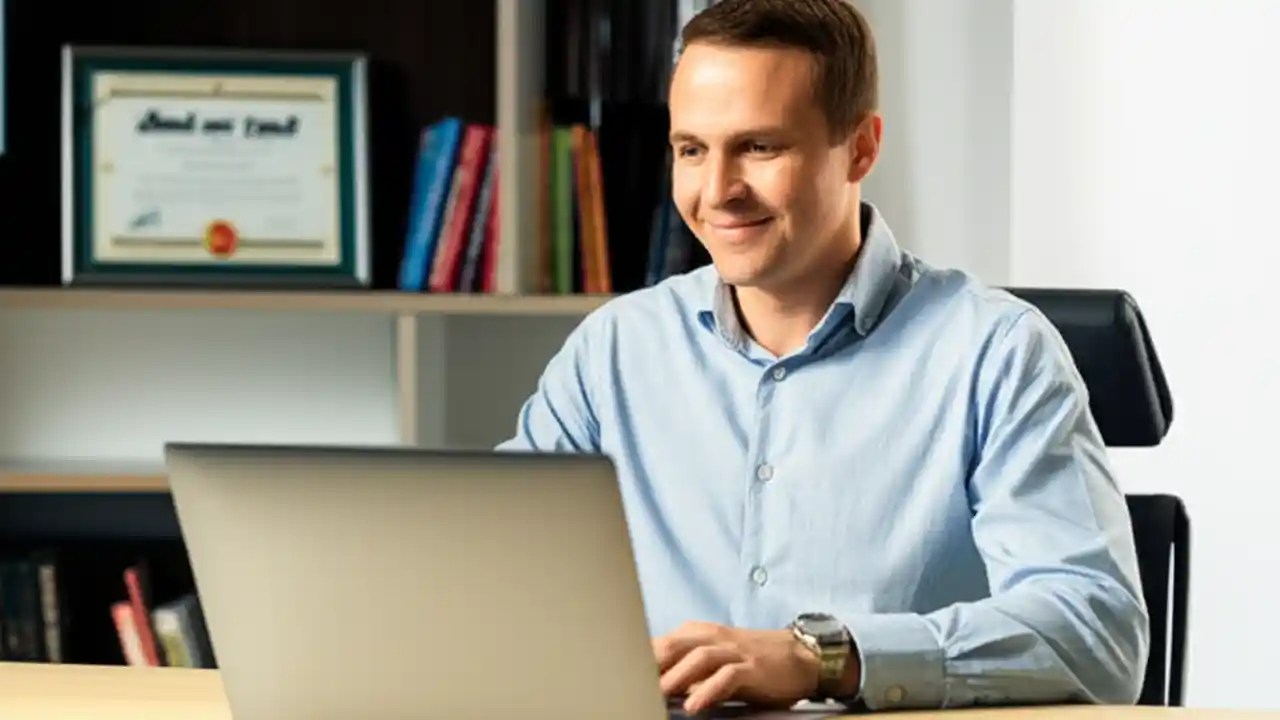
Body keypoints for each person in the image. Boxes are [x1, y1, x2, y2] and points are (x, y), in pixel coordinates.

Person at [497, 0, 1149, 714]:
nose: (716, 192)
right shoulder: (613, 351)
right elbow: (492, 569)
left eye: (760, 147)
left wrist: (827, 658)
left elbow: (1097, 632)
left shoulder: (995, 353)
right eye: (691, 149)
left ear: (862, 149)